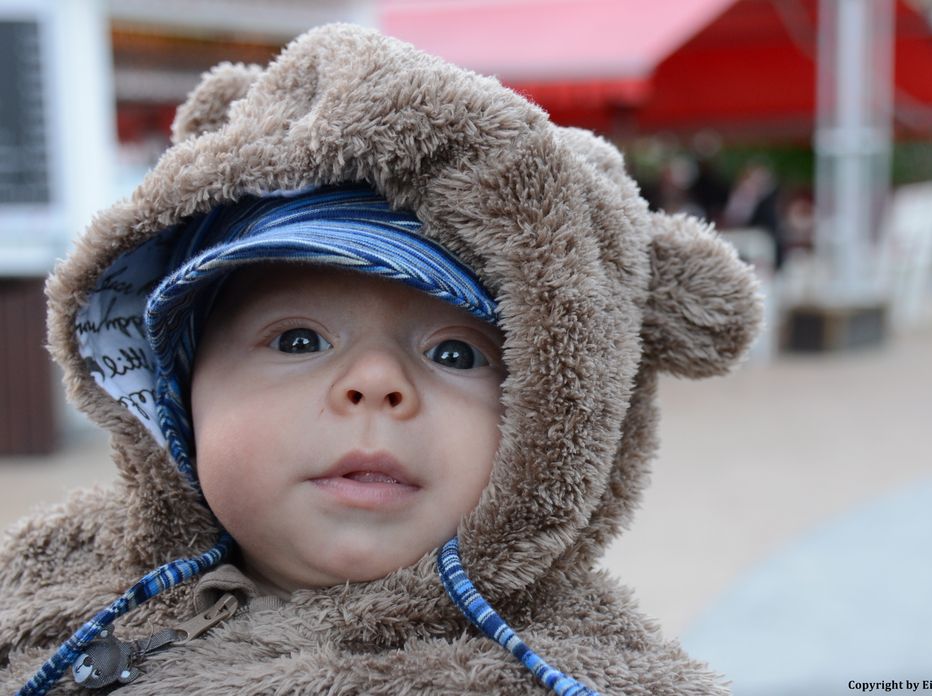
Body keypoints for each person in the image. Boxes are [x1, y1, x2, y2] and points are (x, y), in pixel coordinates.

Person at [1, 24, 761, 695]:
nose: (376, 382)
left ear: (555, 429)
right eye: (298, 340)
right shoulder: (49, 584)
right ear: (177, 393)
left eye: (457, 352)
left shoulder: (563, 670)